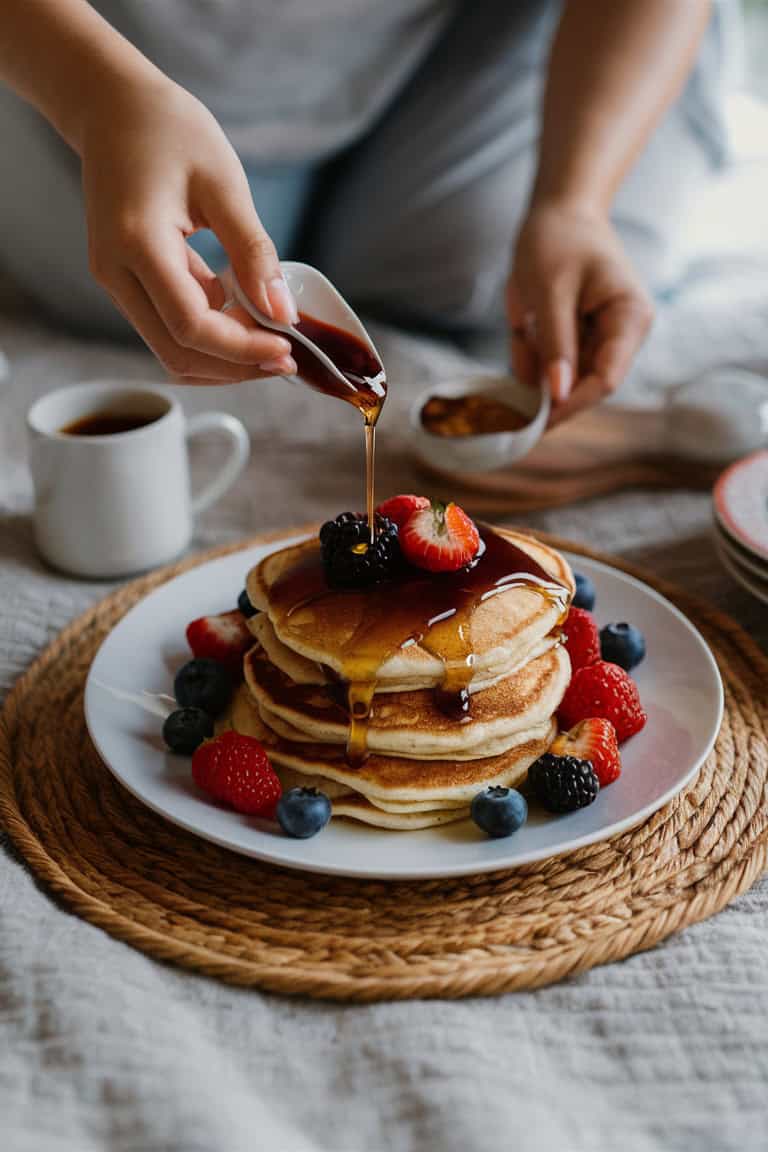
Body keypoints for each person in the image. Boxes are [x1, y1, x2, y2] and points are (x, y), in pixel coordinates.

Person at [0, 1, 730, 424]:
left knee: (485, 271)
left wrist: (575, 201)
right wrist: (95, 97)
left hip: (461, 39)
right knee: (135, 288)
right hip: (96, 39)